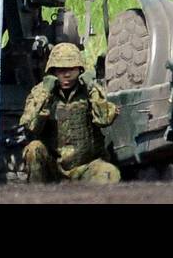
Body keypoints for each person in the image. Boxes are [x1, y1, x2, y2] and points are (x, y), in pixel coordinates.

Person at [19, 42, 120, 183]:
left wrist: (92, 88)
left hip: (86, 166)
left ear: (80, 70)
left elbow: (104, 119)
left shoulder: (90, 91)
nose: (66, 75)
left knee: (110, 174)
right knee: (34, 149)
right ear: (53, 72)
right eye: (60, 70)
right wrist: (45, 94)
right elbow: (30, 126)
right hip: (53, 167)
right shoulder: (41, 92)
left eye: (71, 69)